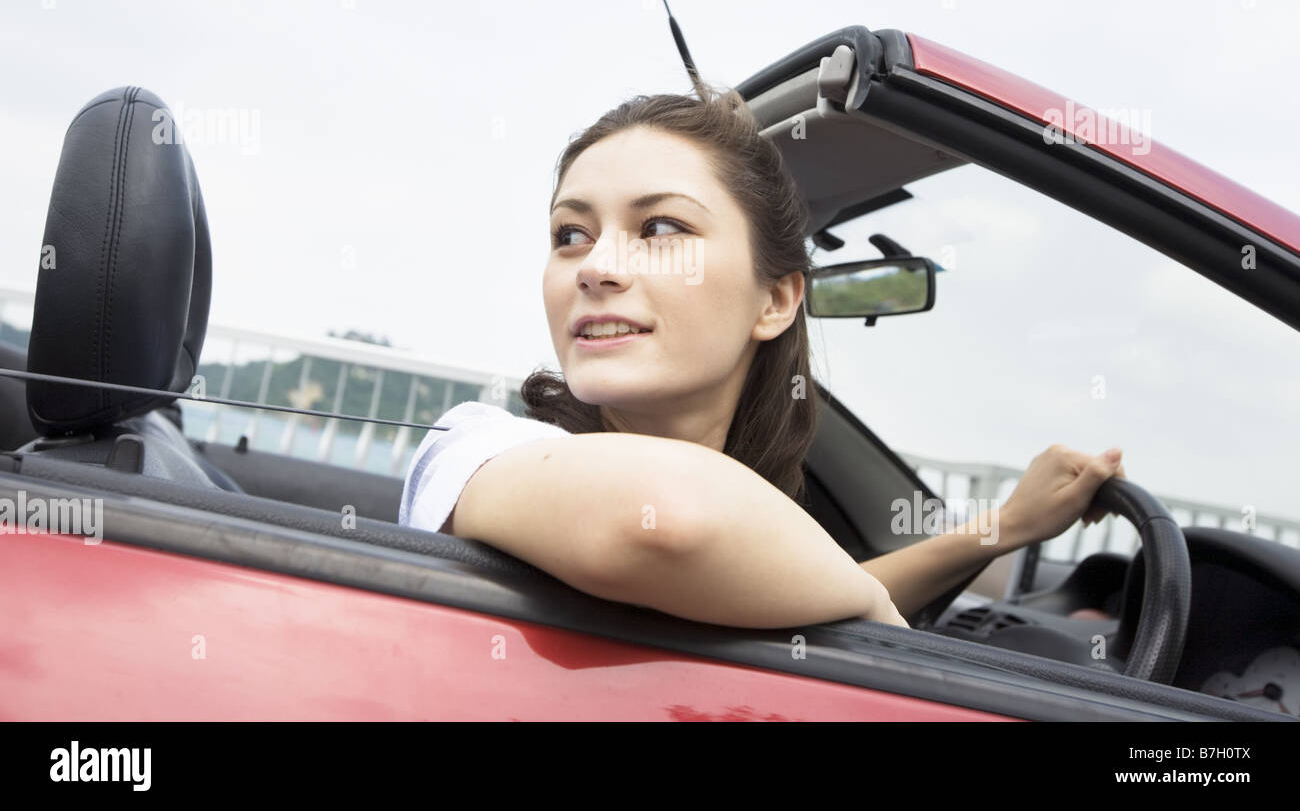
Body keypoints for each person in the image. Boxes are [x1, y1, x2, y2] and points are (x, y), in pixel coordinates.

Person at [399, 77, 1125, 631]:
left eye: (658, 227)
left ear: (775, 301)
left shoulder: (762, 540)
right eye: (571, 234)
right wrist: (887, 630)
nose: (596, 265)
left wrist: (1000, 531)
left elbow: (812, 580)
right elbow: (673, 518)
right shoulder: (473, 449)